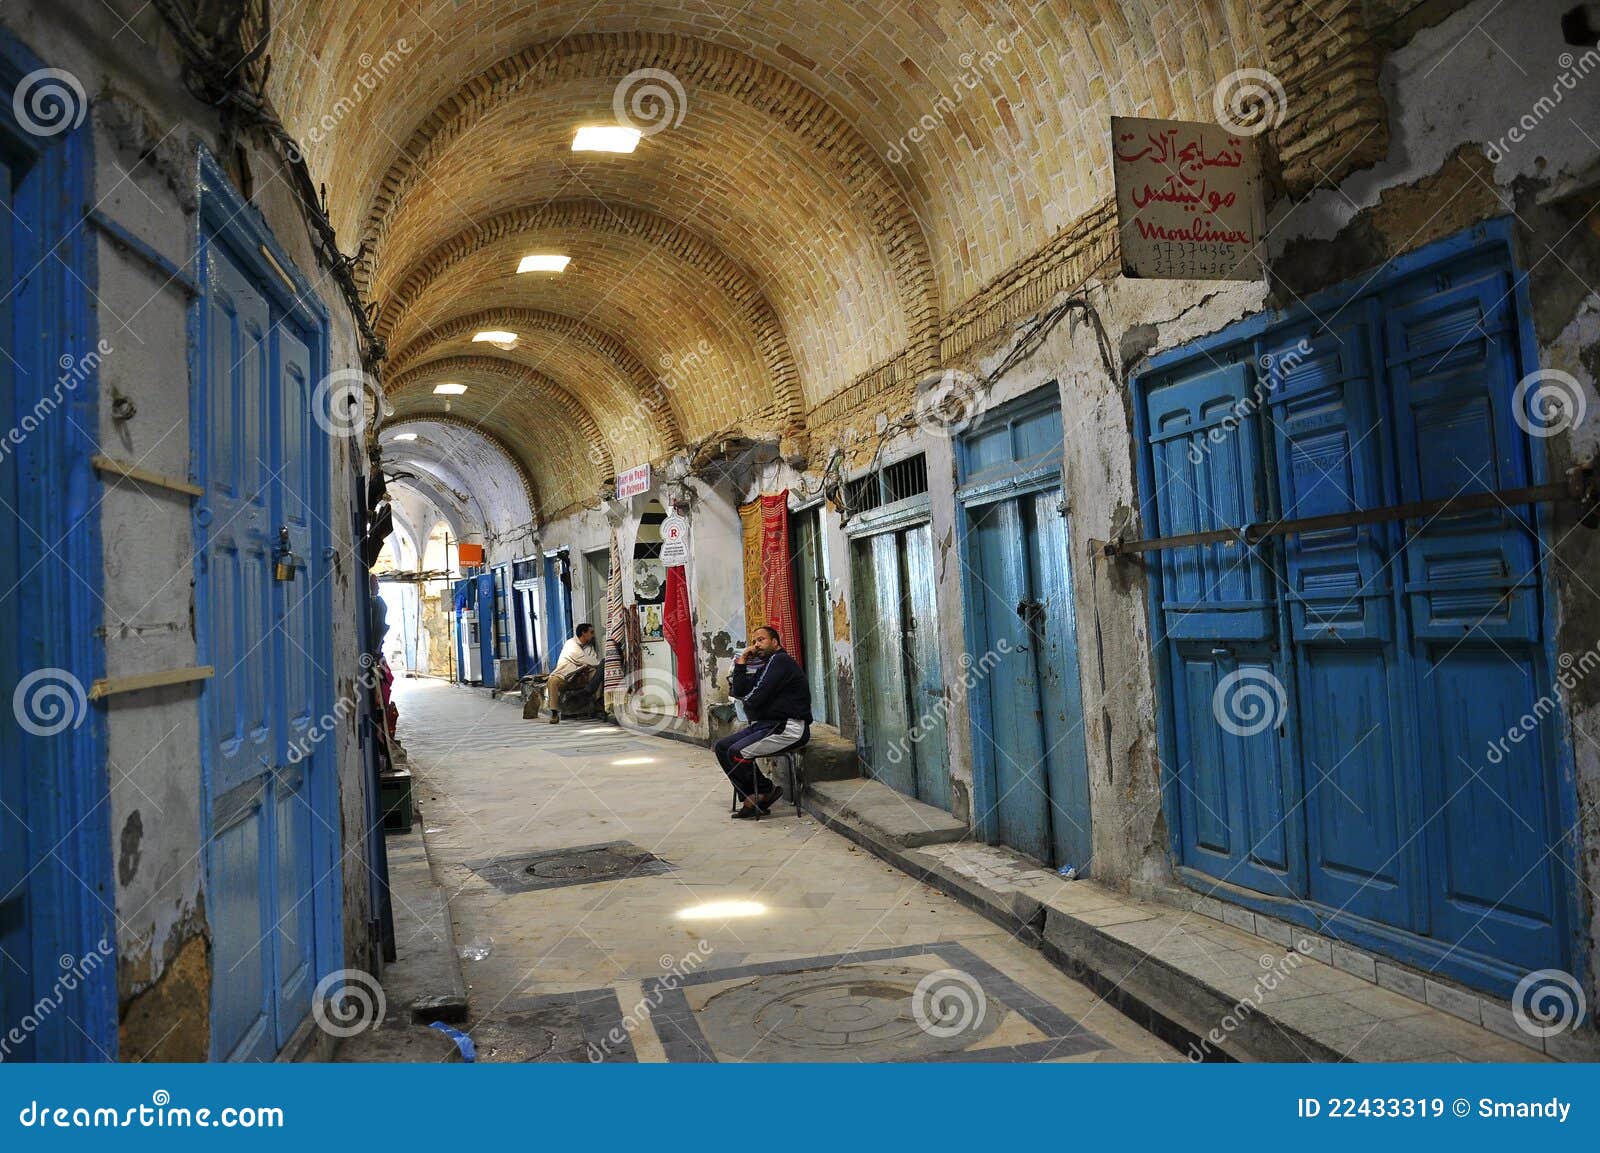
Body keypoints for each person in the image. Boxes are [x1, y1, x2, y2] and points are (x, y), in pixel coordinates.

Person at [716, 625, 811, 819]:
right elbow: (741, 692)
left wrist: (750, 704)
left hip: (788, 726)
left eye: (761, 640)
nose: (756, 645)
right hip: (767, 724)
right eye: (754, 641)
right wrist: (742, 662)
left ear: (775, 642)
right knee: (721, 747)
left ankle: (763, 792)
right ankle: (756, 794)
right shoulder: (765, 664)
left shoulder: (780, 661)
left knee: (737, 752)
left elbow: (754, 698)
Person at [545, 622, 601, 723]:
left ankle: (598, 705)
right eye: (591, 632)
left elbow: (593, 661)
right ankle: (554, 713)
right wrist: (595, 663)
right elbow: (584, 659)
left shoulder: (589, 647)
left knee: (598, 672)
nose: (593, 635)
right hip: (566, 677)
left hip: (581, 678)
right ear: (583, 633)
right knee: (553, 681)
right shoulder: (571, 643)